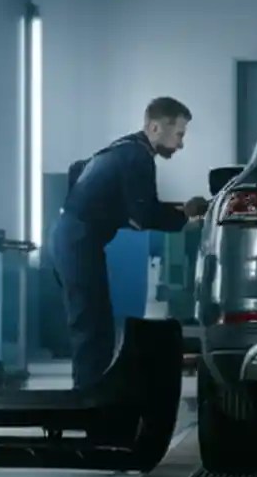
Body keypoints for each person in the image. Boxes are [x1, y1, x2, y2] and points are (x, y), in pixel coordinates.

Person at [52, 96, 209, 390]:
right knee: (91, 327)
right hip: (79, 241)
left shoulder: (122, 148)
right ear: (154, 127)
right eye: (179, 135)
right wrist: (186, 217)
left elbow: (78, 169)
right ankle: (88, 402)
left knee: (94, 324)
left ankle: (90, 395)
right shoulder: (138, 158)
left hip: (70, 236)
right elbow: (144, 216)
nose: (181, 144)